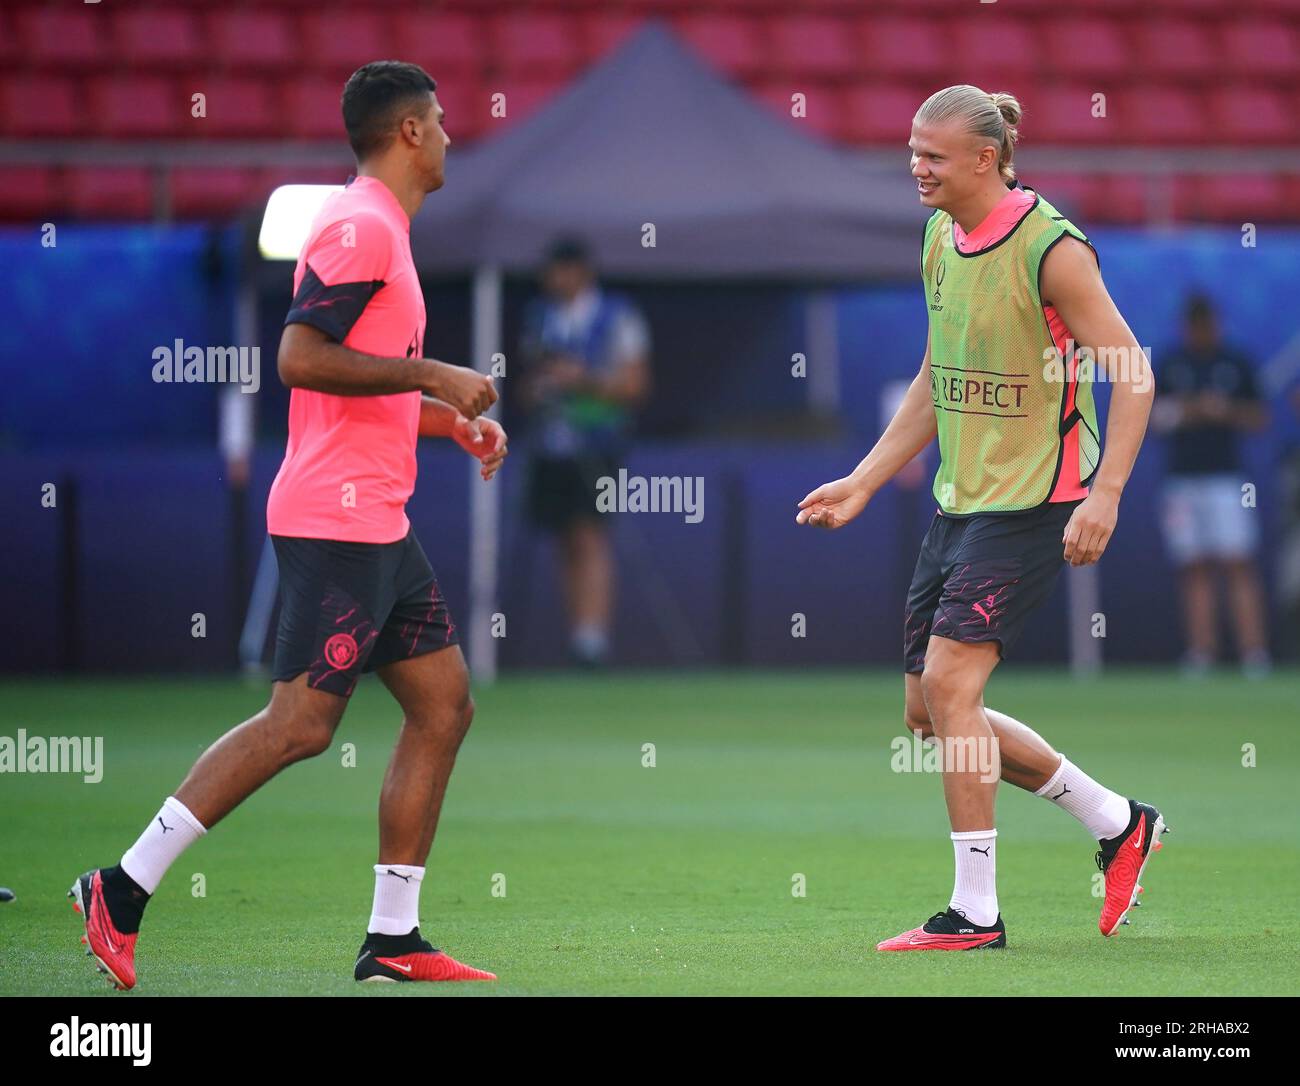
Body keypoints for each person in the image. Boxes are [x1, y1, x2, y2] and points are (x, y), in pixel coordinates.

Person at [70, 61, 507, 988]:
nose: (452, 135)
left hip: (376, 518)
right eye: (441, 118)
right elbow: (301, 357)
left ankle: (393, 938)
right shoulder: (358, 224)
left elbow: (362, 382)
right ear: (411, 134)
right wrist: (436, 378)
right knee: (302, 723)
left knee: (443, 704)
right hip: (336, 518)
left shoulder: (379, 226)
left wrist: (449, 421)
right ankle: (123, 885)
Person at [796, 85, 1167, 950]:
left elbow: (1134, 373)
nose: (915, 166)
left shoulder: (1052, 249)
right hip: (958, 504)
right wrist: (862, 478)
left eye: (932, 154)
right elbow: (938, 379)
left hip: (1037, 501)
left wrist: (1105, 492)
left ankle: (975, 912)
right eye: (913, 150)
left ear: (986, 160)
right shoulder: (937, 237)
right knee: (927, 713)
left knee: (954, 689)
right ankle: (1117, 820)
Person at [517, 238, 651, 666]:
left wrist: (583, 380)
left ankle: (594, 639)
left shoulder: (618, 316)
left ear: (580, 272)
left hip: (598, 444)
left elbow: (634, 386)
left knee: (591, 534)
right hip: (550, 445)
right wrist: (539, 389)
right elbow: (524, 386)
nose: (554, 280)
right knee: (564, 537)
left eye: (562, 271)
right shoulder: (539, 318)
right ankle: (579, 636)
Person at [1153, 294, 1270, 676]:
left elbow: (1259, 417)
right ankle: (1202, 652)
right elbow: (1152, 418)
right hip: (1182, 481)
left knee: (1237, 562)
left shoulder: (1235, 361)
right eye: (1195, 325)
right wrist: (1191, 409)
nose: (1202, 332)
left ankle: (1254, 654)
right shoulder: (1171, 363)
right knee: (1194, 566)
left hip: (1227, 479)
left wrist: (1225, 410)